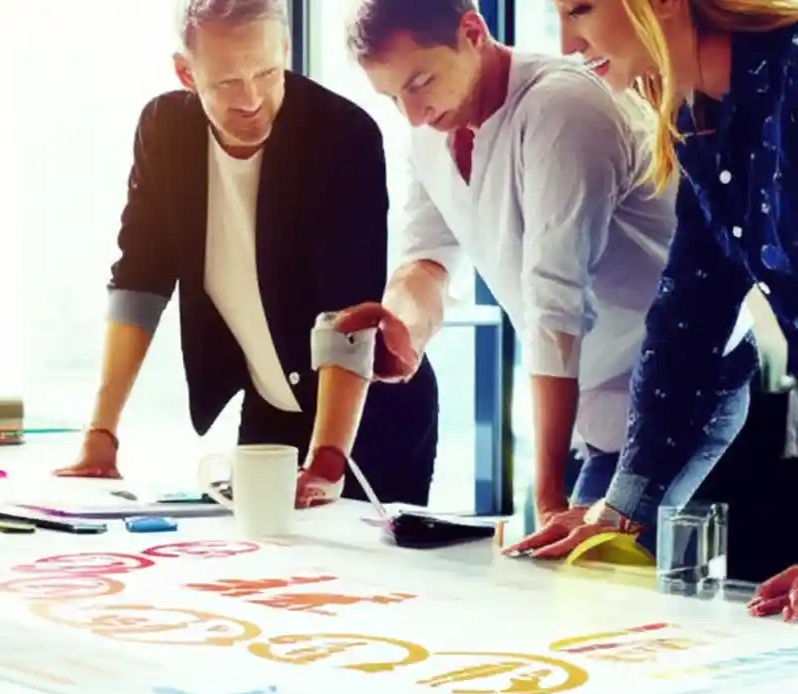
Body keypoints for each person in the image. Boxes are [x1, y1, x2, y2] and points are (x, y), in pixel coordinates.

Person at [321, 0, 698, 527]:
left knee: (587, 577)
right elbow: (426, 261)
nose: (412, 114)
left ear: (473, 31)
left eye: (420, 82)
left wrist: (545, 499)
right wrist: (402, 327)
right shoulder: (429, 131)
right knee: (557, 580)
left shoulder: (562, 110)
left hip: (684, 384)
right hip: (589, 405)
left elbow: (555, 301)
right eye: (392, 97)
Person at [54, 0, 440, 507]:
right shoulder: (165, 133)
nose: (252, 99)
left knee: (365, 580)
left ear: (284, 49)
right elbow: (138, 281)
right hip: (272, 407)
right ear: (186, 73)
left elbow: (348, 313)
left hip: (369, 413)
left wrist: (325, 462)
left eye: (265, 71)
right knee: (254, 570)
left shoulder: (341, 136)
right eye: (228, 83)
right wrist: (99, 436)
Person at [509, 0, 798, 614]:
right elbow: (687, 317)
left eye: (580, 10)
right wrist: (623, 512)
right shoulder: (695, 122)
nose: (567, 43)